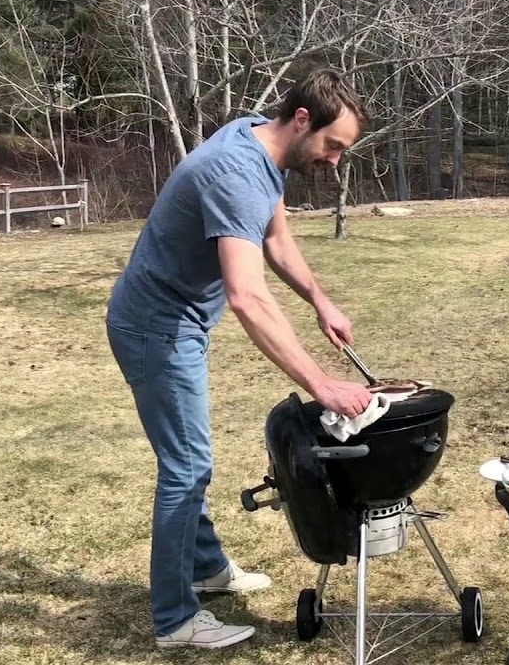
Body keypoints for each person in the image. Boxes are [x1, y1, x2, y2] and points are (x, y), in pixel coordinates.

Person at [104, 68, 377, 650]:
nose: (334, 161)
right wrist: (321, 384)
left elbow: (275, 239)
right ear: (302, 120)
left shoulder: (259, 142)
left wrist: (320, 301)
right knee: (186, 467)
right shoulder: (236, 174)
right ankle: (176, 620)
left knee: (189, 458)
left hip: (175, 323)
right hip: (157, 327)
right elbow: (247, 295)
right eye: (333, 146)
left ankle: (205, 568)